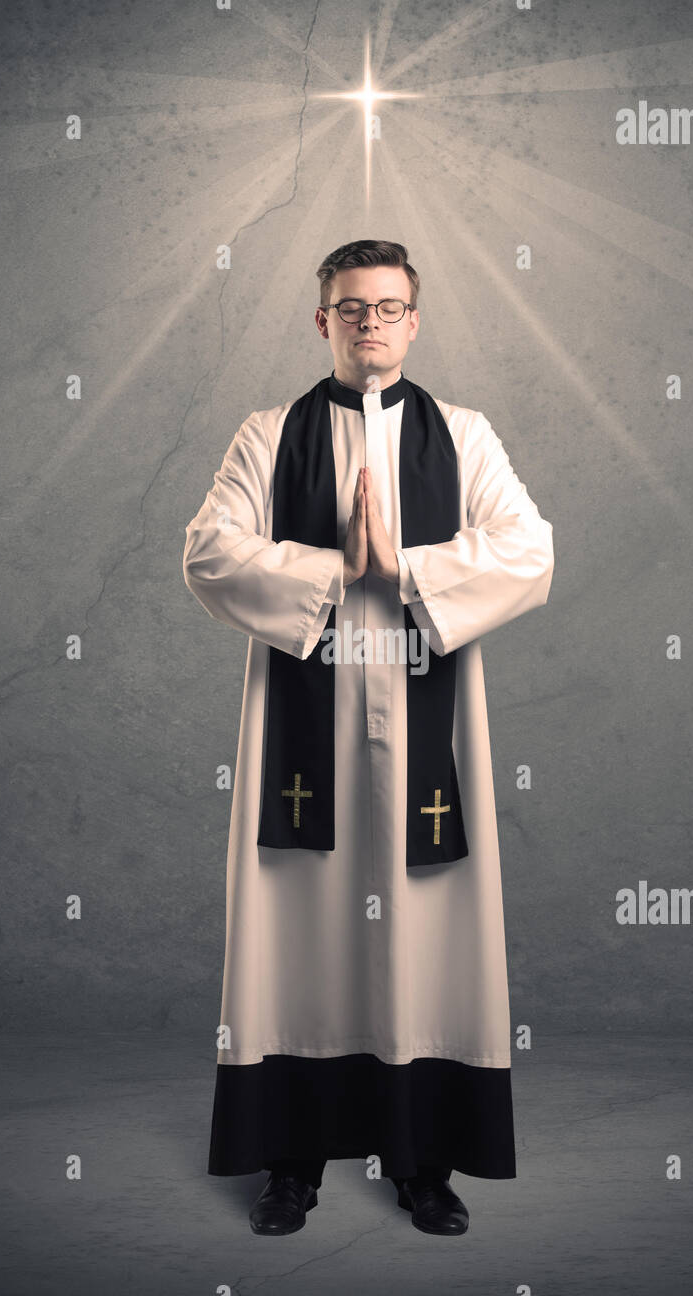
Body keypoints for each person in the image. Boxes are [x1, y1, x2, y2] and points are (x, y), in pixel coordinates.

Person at [183, 239, 554, 1236]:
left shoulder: (464, 437)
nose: (370, 322)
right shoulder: (268, 436)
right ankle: (291, 1163)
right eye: (350, 308)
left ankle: (423, 1161)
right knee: (298, 936)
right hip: (303, 737)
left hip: (426, 731)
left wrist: (410, 566)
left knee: (425, 938)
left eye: (388, 307)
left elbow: (529, 549)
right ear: (322, 321)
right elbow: (209, 553)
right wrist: (333, 572)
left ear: (414, 320)